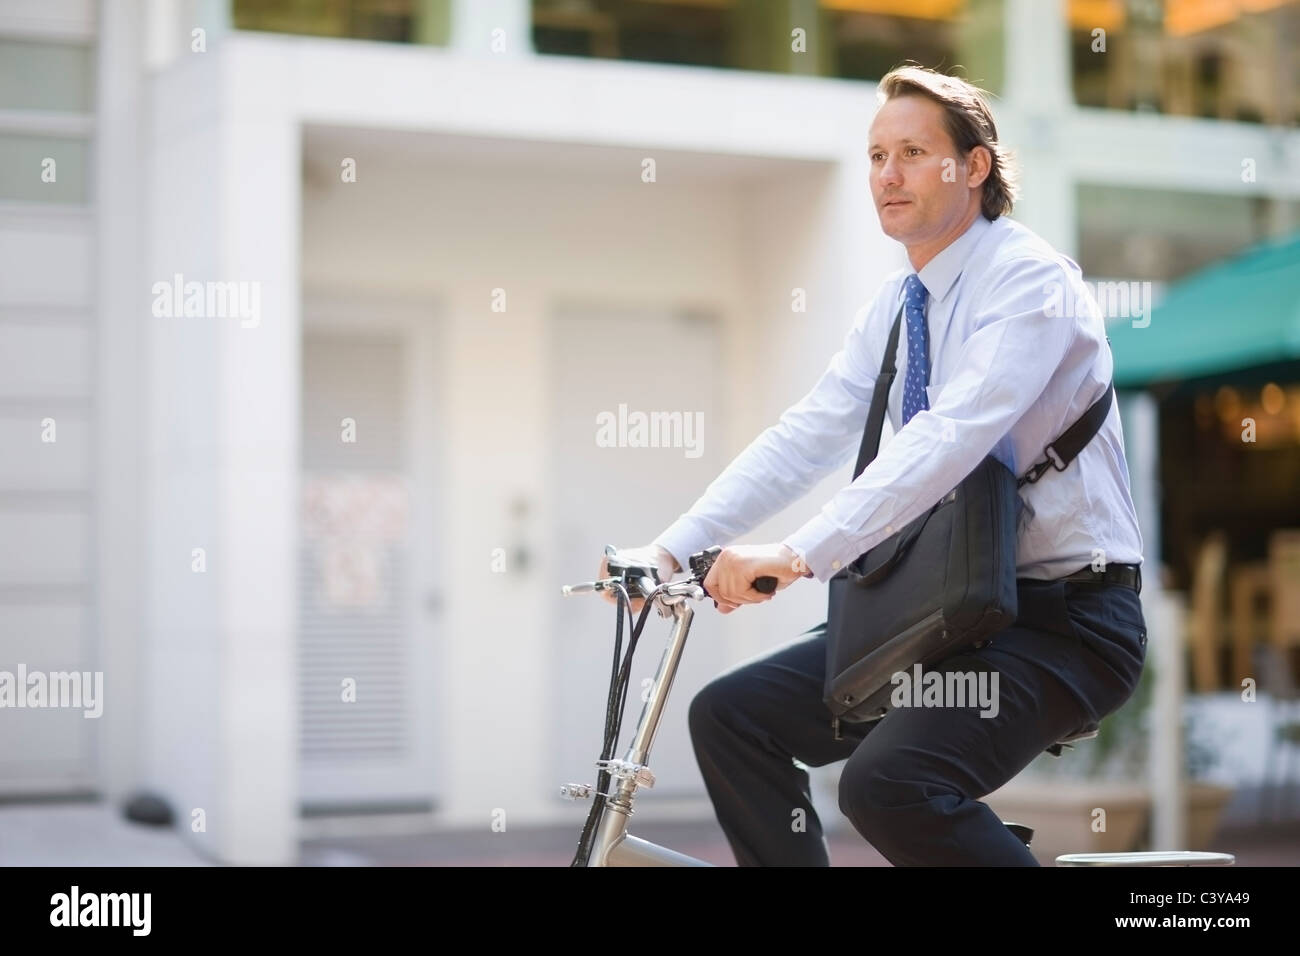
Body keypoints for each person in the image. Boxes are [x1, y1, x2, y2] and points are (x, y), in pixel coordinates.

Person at [598, 65, 1146, 866]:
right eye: (877, 155)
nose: (888, 175)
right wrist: (674, 547)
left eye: (915, 153)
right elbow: (807, 436)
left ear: (975, 167)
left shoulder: (1031, 284)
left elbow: (950, 438)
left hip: (1064, 623)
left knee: (888, 782)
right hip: (944, 611)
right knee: (731, 716)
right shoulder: (898, 307)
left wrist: (797, 555)